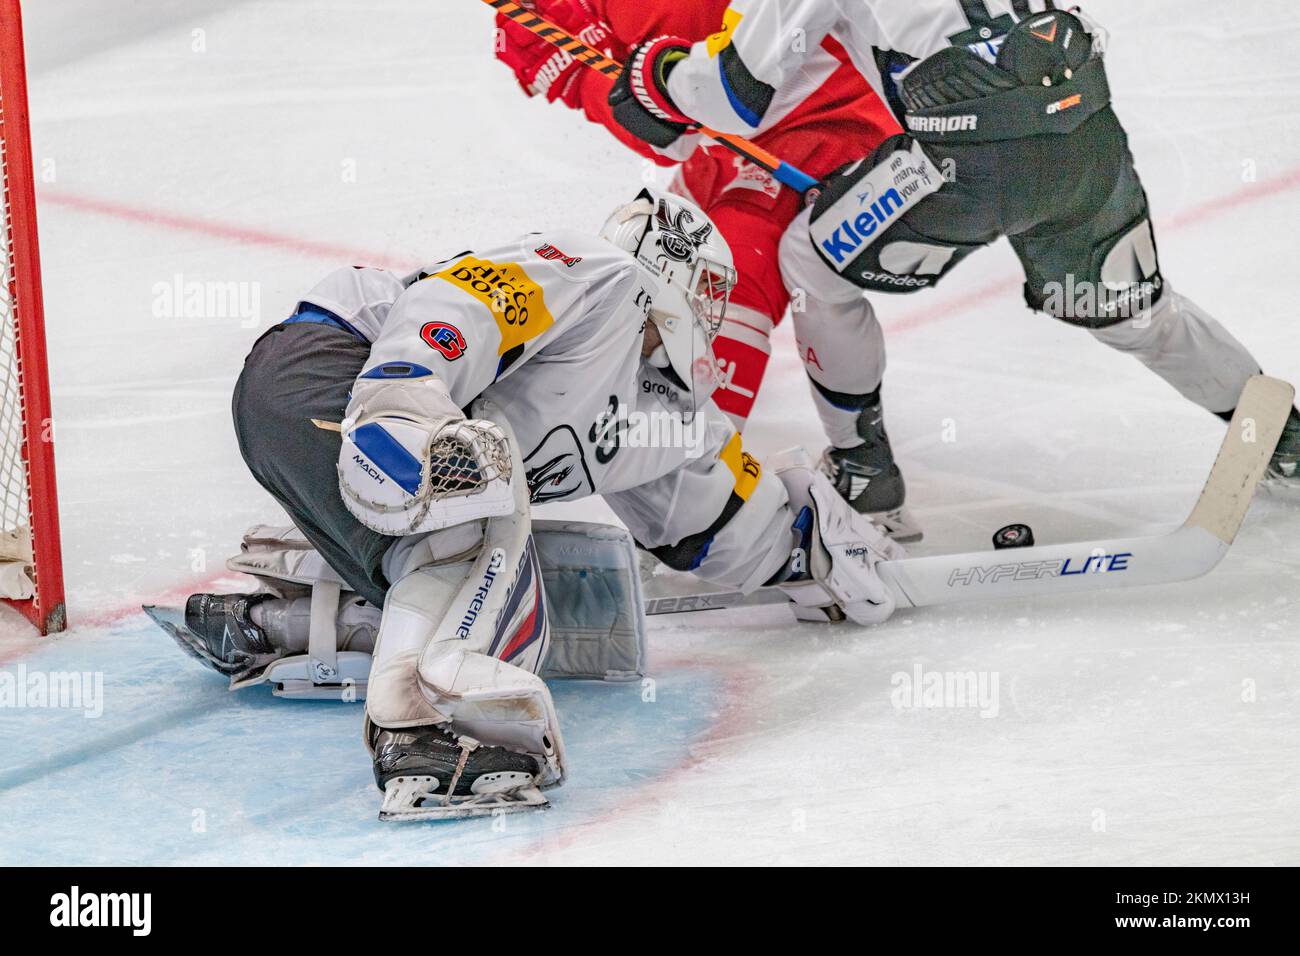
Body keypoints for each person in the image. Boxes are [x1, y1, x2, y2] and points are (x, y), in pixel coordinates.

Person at [167, 188, 902, 819]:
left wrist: (817, 547)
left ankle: (298, 620)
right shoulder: (604, 277)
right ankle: (423, 728)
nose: (710, 314)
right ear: (674, 269)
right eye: (708, 291)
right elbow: (464, 302)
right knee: (475, 487)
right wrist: (402, 398)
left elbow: (708, 520)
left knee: (493, 552)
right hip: (336, 366)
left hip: (314, 417)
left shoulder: (663, 412)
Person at [603, 1, 1300, 499]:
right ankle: (1281, 437)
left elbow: (733, 94)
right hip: (1088, 143)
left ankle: (862, 467)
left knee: (810, 261)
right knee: (1134, 314)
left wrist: (655, 78)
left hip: (964, 170)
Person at [492, 1, 924, 536]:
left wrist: (641, 90)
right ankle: (676, 475)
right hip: (728, 143)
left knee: (726, 276)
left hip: (833, 121)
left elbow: (709, 91)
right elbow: (669, 132)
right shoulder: (540, 14)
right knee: (654, 274)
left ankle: (845, 470)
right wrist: (611, 85)